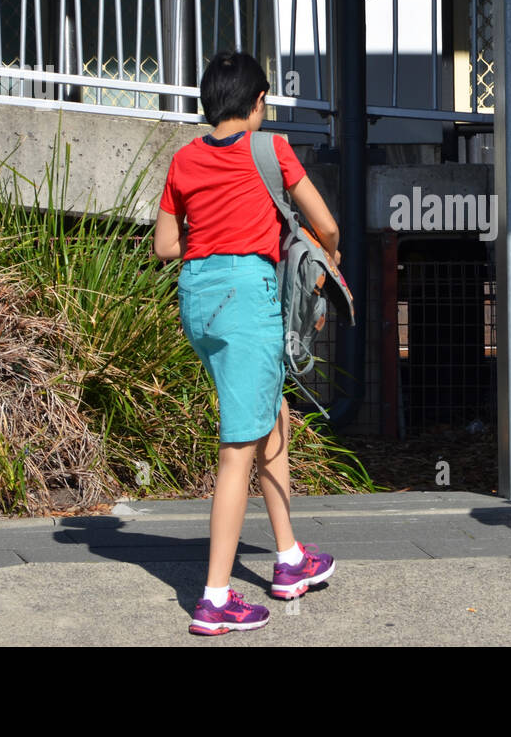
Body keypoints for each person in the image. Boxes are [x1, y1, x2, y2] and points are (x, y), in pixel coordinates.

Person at [154, 51, 342, 633]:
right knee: (238, 447)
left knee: (271, 413)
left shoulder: (184, 159)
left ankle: (288, 559)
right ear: (257, 102)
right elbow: (326, 224)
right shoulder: (272, 149)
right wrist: (327, 261)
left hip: (198, 299)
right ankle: (214, 599)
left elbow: (164, 246)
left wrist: (212, 233)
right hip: (246, 298)